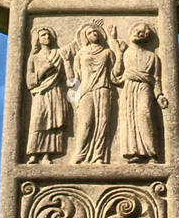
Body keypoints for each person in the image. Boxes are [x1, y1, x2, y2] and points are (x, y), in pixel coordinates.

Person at [111, 23, 167, 162]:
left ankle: (152, 153)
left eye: (143, 33)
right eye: (137, 30)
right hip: (129, 87)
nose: (139, 33)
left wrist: (159, 95)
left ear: (147, 38)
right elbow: (116, 73)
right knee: (129, 118)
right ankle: (134, 152)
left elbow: (156, 79)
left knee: (144, 115)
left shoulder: (152, 57)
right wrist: (117, 50)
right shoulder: (126, 53)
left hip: (144, 87)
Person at [68, 22, 119, 164]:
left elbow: (116, 72)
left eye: (95, 32)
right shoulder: (80, 54)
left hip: (104, 88)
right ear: (85, 37)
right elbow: (74, 78)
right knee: (85, 123)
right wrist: (71, 97)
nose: (93, 34)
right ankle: (80, 154)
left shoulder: (108, 52)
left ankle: (99, 156)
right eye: (89, 32)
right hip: (86, 90)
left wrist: (117, 48)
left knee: (103, 122)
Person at [25, 28, 72, 163]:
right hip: (41, 93)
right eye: (43, 35)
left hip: (56, 92)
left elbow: (69, 77)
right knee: (38, 120)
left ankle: (47, 155)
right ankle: (33, 154)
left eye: (48, 35)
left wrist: (67, 61)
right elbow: (30, 82)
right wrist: (43, 70)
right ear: (38, 40)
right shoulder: (34, 57)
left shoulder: (58, 54)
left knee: (53, 123)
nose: (47, 37)